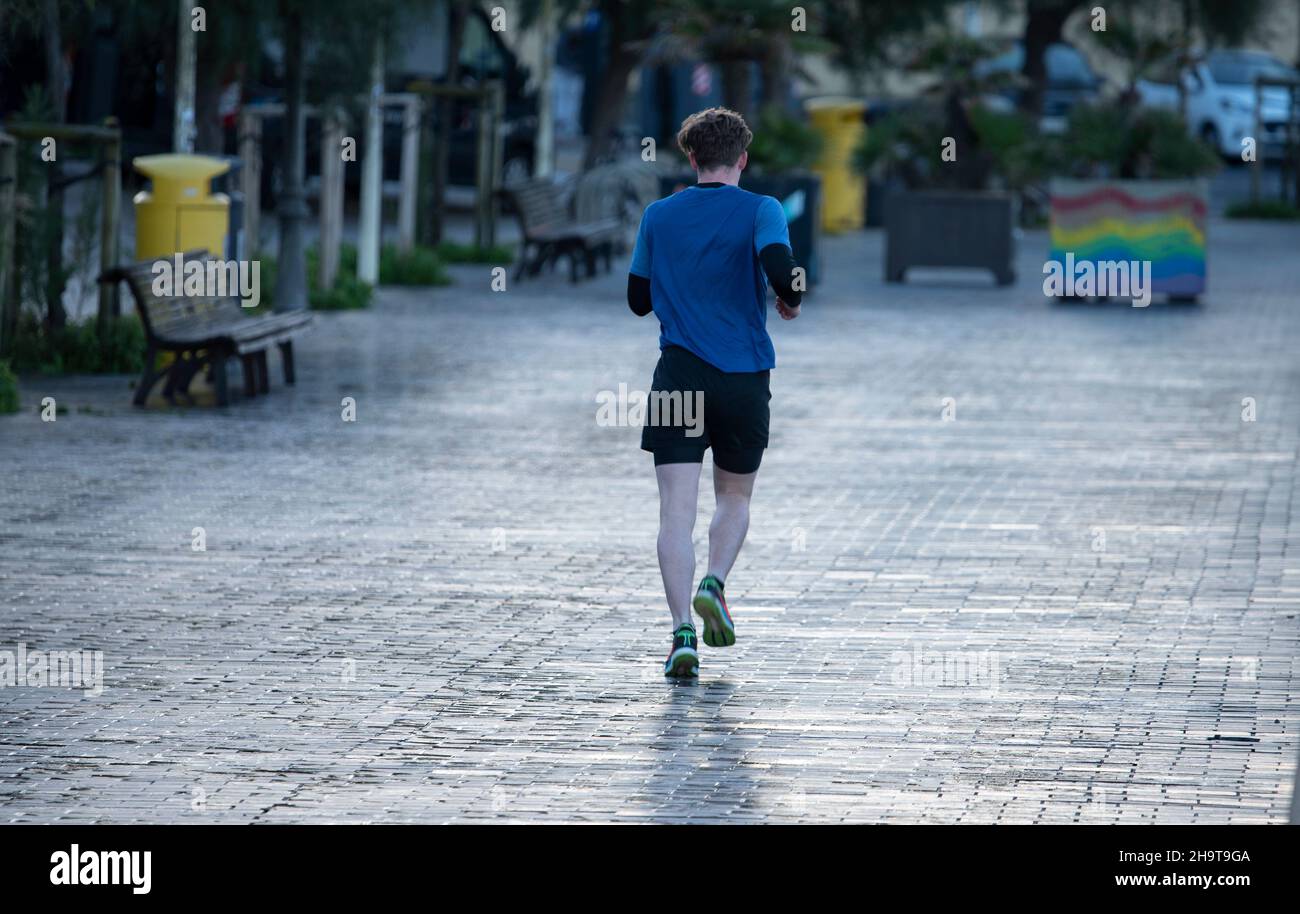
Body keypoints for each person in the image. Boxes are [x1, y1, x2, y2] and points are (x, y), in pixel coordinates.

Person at [627, 107, 804, 678]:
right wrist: (791, 299)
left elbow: (637, 298)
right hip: (742, 378)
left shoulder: (659, 214)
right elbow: (781, 268)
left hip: (679, 375)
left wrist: (682, 292)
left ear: (692, 157)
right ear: (742, 159)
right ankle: (715, 583)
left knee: (674, 516)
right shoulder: (763, 209)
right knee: (734, 498)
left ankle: (681, 633)